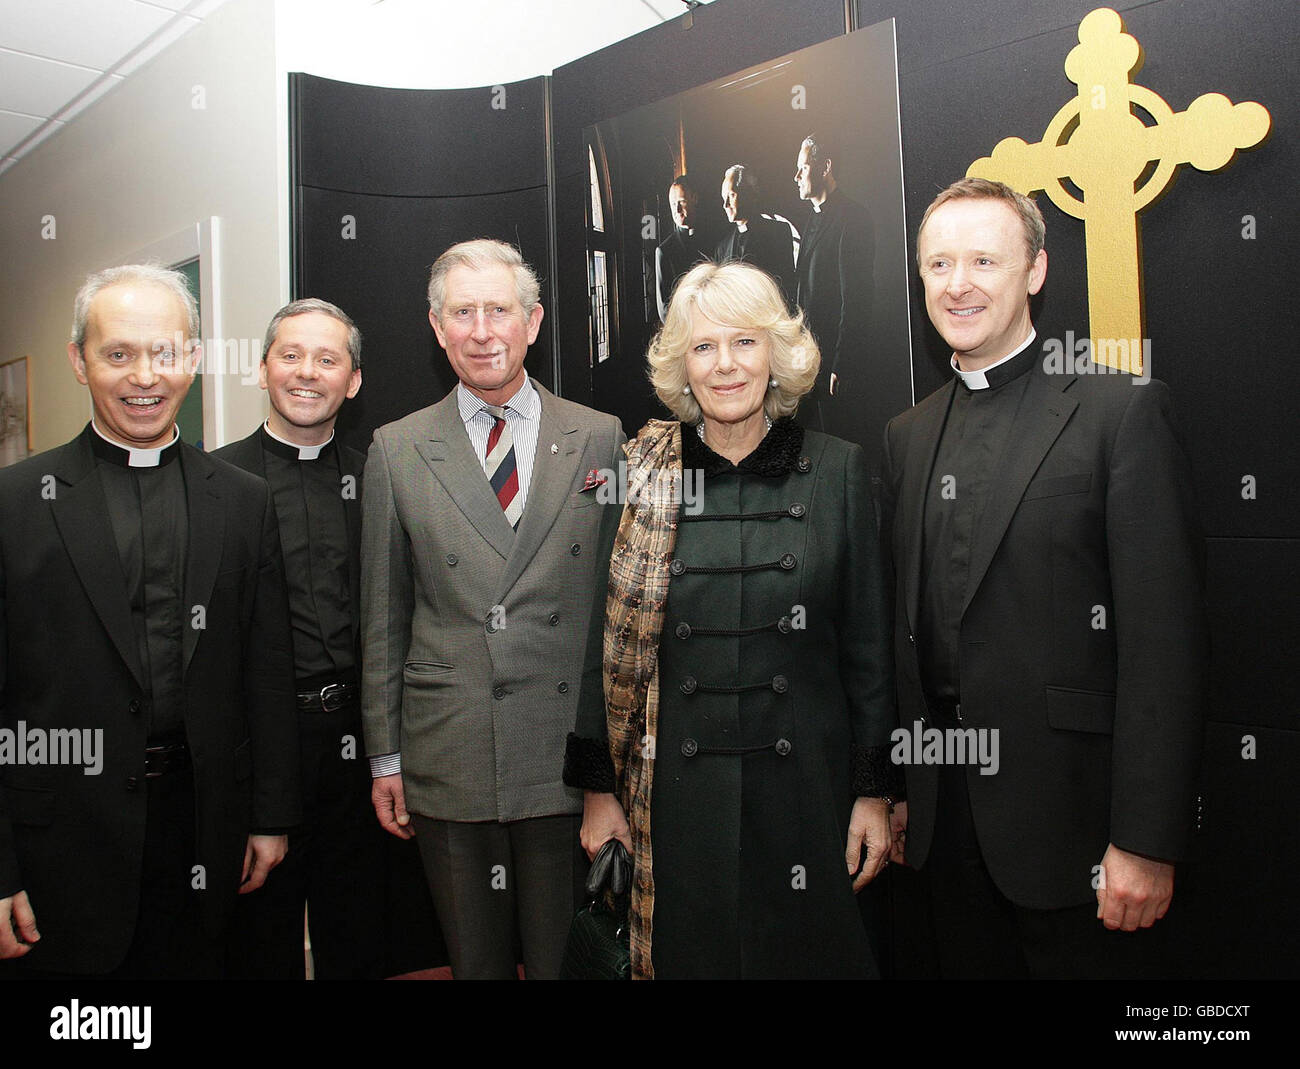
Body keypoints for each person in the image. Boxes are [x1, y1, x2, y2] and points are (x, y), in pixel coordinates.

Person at [879, 178, 1206, 978]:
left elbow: (1167, 647)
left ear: (1035, 271)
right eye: (939, 264)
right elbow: (900, 634)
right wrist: (894, 787)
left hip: (1078, 834)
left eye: (985, 259)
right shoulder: (905, 436)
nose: (959, 284)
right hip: (944, 830)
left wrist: (1146, 839)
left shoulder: (1120, 411)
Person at [565, 260, 899, 979]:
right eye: (704, 346)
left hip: (809, 795)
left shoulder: (838, 469)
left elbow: (870, 655)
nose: (725, 366)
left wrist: (875, 792)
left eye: (744, 343)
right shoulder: (639, 475)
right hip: (679, 805)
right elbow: (603, 648)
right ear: (682, 365)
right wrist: (599, 792)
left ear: (776, 354)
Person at [0, 264, 299, 978]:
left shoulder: (244, 501)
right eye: (118, 353)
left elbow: (265, 668)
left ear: (193, 359)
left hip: (202, 828)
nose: (144, 375)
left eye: (165, 352)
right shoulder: (16, 502)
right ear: (80, 361)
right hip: (61, 839)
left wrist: (269, 814)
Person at [362, 238, 626, 980]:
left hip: (564, 753)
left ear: (534, 322)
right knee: (473, 962)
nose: (483, 330)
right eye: (463, 312)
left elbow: (620, 608)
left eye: (500, 310)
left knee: (560, 962)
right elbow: (384, 617)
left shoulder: (600, 435)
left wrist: (616, 756)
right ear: (437, 327)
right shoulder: (396, 448)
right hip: (449, 749)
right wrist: (385, 756)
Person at [215, 298, 390, 979]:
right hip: (260, 749)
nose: (307, 373)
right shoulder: (216, 484)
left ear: (352, 381)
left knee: (361, 938)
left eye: (327, 359)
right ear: (263, 369)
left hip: (360, 747)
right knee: (260, 944)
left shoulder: (380, 477)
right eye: (290, 355)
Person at [792, 133, 876, 433]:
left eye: (802, 168)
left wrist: (843, 363)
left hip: (835, 366)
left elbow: (856, 298)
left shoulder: (853, 218)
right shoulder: (810, 221)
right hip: (809, 362)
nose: (796, 176)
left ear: (825, 167)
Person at [714, 165, 795, 305]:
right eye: (723, 197)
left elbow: (786, 288)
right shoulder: (722, 248)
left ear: (749, 194)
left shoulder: (778, 233)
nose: (725, 205)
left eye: (732, 195)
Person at [655, 174, 711, 322]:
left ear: (695, 199)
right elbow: (665, 309)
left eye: (682, 202)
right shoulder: (665, 251)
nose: (677, 209)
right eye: (673, 204)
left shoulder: (715, 241)